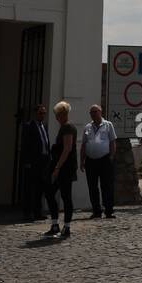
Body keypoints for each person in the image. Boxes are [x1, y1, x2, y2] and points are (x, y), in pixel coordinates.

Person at [44, 101, 78, 239]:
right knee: (50, 192)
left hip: (65, 168)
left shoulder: (68, 127)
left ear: (63, 114)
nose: (57, 118)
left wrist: (57, 167)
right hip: (62, 167)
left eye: (58, 115)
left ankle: (67, 226)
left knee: (65, 196)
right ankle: (55, 224)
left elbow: (67, 148)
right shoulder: (64, 127)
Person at [80, 104, 117, 219]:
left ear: (100, 112)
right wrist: (81, 161)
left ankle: (109, 210)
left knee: (107, 185)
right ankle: (96, 211)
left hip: (104, 159)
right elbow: (84, 144)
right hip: (90, 161)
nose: (93, 114)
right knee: (92, 187)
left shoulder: (108, 125)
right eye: (91, 112)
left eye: (95, 111)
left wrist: (111, 157)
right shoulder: (87, 127)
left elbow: (112, 142)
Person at [20, 103, 51, 220]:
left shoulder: (44, 126)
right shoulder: (28, 126)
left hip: (43, 161)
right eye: (40, 113)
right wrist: (26, 161)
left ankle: (38, 212)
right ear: (35, 114)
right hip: (32, 162)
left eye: (44, 113)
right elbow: (25, 145)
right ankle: (27, 213)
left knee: (40, 188)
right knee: (29, 188)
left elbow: (46, 142)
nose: (42, 115)